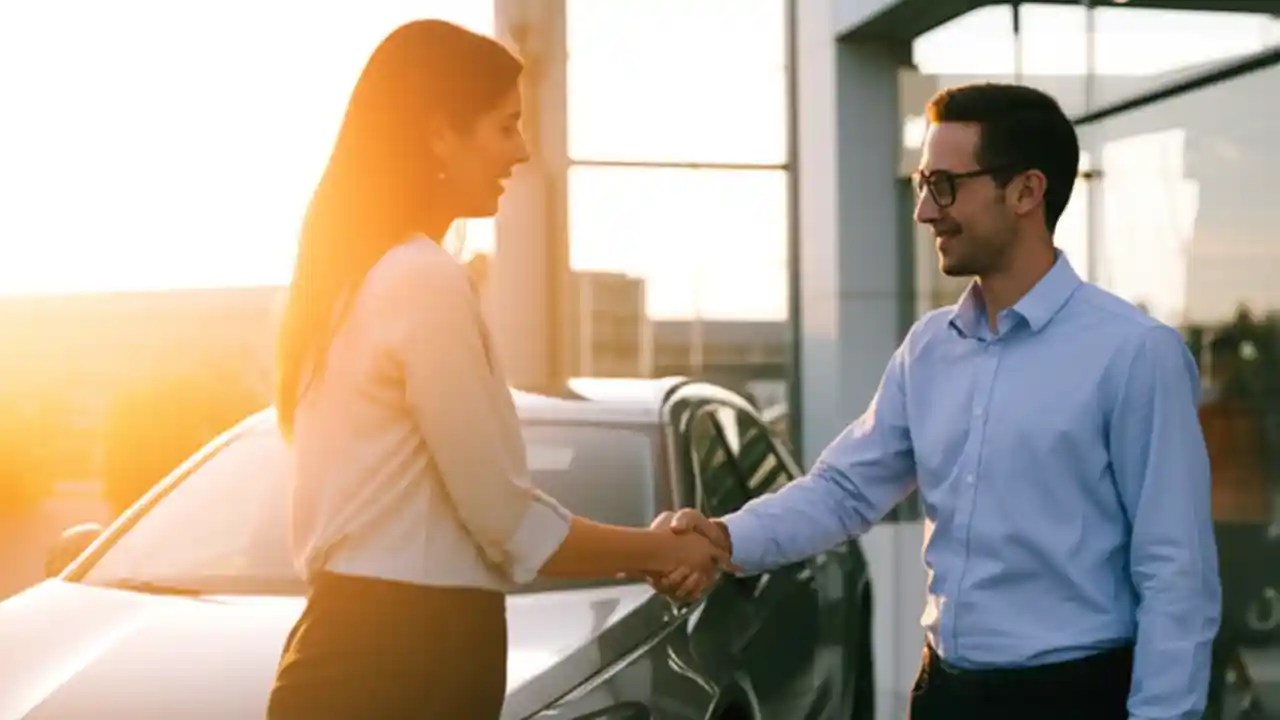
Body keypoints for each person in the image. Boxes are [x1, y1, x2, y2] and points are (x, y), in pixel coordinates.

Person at [649, 83, 1221, 720]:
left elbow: (1177, 572)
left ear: (1027, 192)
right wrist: (725, 536)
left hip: (1078, 698)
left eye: (945, 185)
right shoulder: (929, 349)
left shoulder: (1135, 353)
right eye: (923, 182)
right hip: (945, 695)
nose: (924, 210)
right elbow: (843, 491)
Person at [265, 20, 726, 720]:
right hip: (406, 660)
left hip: (357, 649)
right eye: (504, 125)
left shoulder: (352, 280)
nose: (521, 150)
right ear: (437, 134)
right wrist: (662, 547)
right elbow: (506, 519)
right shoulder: (421, 279)